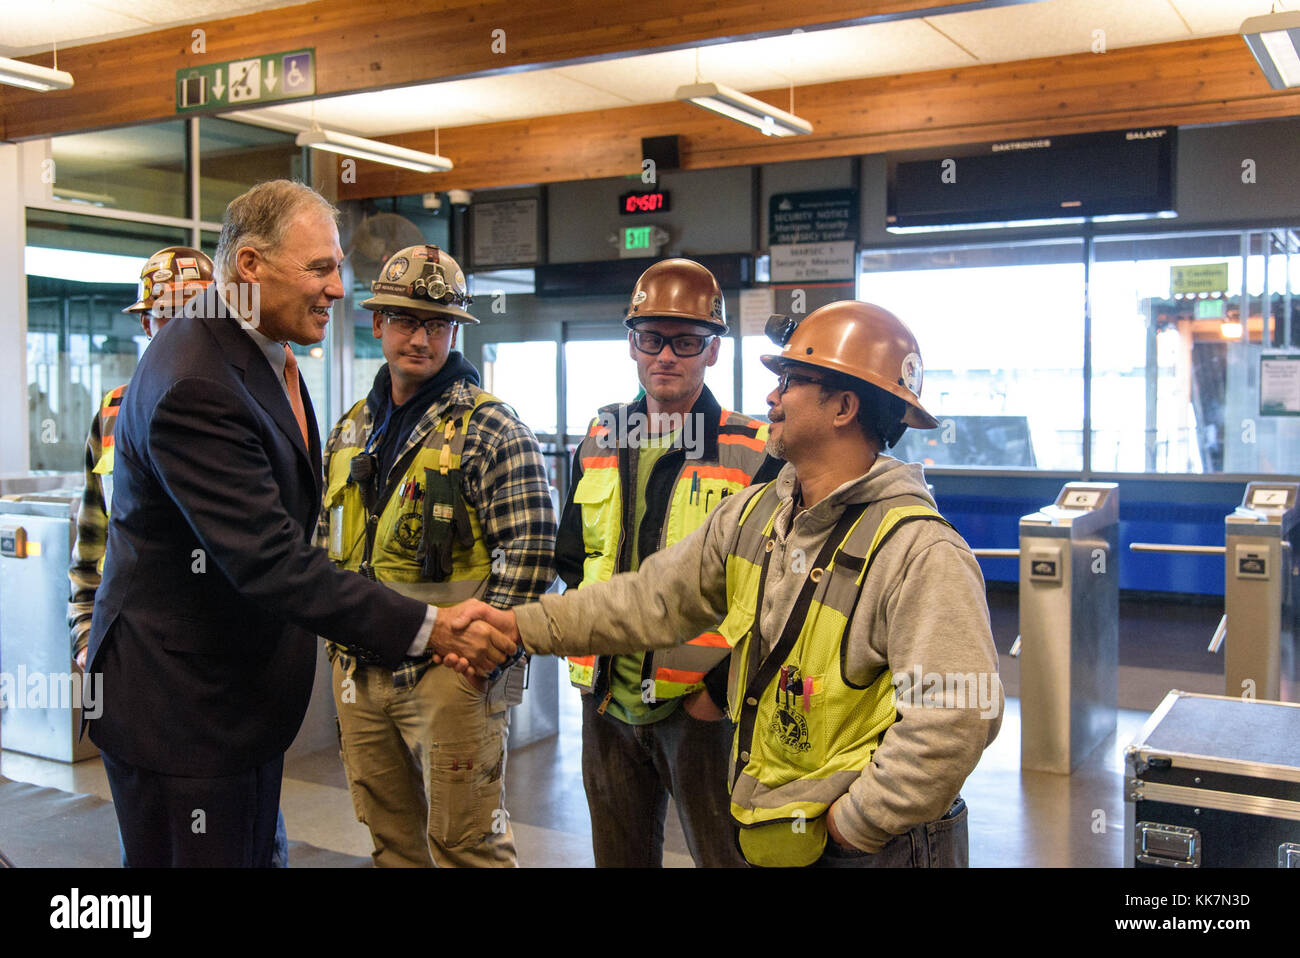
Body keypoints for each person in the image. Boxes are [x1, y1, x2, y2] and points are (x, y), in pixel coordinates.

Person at [450, 301, 1004, 868]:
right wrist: (518, 625)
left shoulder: (920, 551)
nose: (771, 398)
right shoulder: (756, 516)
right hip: (789, 822)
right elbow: (650, 600)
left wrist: (855, 823)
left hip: (878, 848)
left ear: (844, 406)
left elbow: (956, 715)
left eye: (789, 381)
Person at [84, 180, 513, 868]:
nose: (339, 289)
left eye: (338, 267)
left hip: (236, 707)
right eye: (320, 268)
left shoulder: (263, 348)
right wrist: (432, 626)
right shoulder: (196, 378)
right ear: (250, 267)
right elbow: (272, 560)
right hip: (183, 717)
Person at [318, 244, 555, 867]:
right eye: (404, 321)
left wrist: (477, 651)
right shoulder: (347, 431)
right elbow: (323, 546)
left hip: (450, 676)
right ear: (377, 325)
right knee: (392, 844)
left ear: (455, 331)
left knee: (465, 846)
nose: (419, 337)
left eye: (437, 323)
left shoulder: (492, 428)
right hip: (359, 673)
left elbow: (531, 551)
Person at [556, 258, 777, 867]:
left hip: (699, 710)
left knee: (725, 858)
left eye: (687, 341)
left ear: (712, 351)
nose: (667, 356)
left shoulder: (756, 452)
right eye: (651, 339)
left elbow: (774, 594)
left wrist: (714, 689)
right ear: (632, 344)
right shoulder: (602, 437)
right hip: (605, 698)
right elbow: (572, 559)